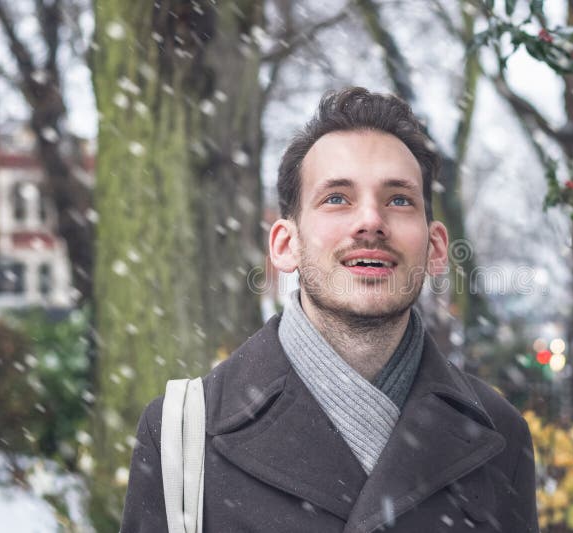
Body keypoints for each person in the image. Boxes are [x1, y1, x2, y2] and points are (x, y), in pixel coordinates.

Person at [120, 87, 539, 532]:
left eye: (399, 199)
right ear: (286, 245)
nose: (370, 220)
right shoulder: (183, 432)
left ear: (436, 248)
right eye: (337, 198)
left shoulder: (500, 437)